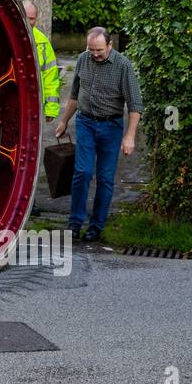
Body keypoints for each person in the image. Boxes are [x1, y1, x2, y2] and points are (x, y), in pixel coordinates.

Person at [53, 26, 143, 241]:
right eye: (91, 49)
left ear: (110, 45)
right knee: (82, 172)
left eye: (99, 50)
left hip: (111, 127)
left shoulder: (123, 65)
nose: (94, 54)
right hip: (85, 123)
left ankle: (96, 226)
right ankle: (74, 223)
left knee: (104, 178)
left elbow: (135, 104)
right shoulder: (83, 59)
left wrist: (129, 136)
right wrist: (64, 121)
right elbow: (74, 94)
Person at [23, 1, 60, 120]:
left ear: (36, 19)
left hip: (33, 104)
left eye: (32, 19)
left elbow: (51, 77)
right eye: (25, 17)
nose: (28, 22)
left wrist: (51, 109)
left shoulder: (43, 42)